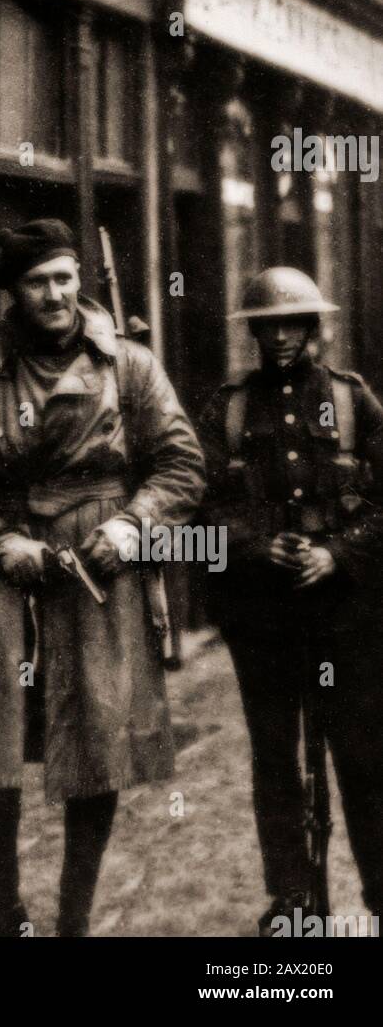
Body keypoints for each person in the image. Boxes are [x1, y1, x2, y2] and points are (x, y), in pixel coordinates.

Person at [0, 219, 205, 936]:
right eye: (38, 281)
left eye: (65, 277)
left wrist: (132, 525)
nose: (55, 294)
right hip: (4, 560)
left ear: (81, 278)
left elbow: (182, 463)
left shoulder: (128, 364)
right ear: (12, 291)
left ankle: (75, 915)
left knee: (98, 733)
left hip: (99, 563)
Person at [198, 267, 383, 933]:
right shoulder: (228, 408)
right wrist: (256, 544)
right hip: (264, 617)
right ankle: (293, 896)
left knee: (363, 755)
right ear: (252, 331)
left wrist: (339, 551)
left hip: (347, 615)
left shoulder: (354, 400)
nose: (279, 337)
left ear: (313, 327)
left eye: (292, 323)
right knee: (274, 756)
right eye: (266, 324)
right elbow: (202, 505)